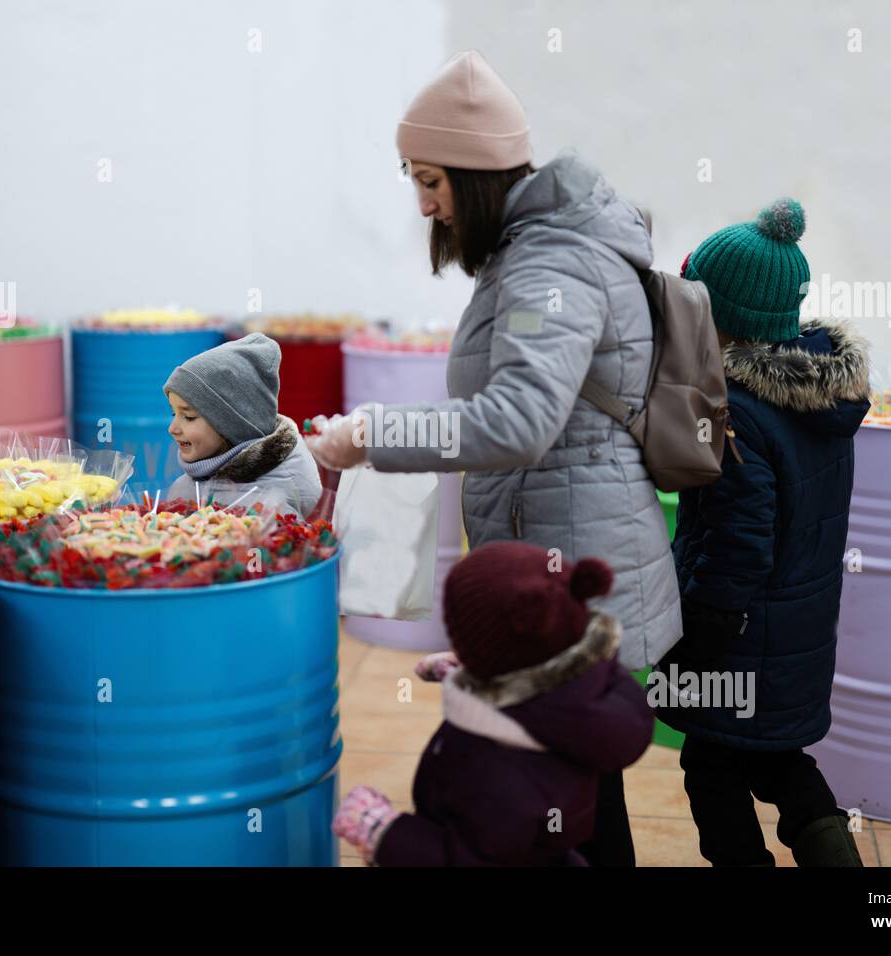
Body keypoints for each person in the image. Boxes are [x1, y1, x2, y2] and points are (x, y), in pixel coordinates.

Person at [307, 49, 680, 867]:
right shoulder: (539, 247)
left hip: (581, 561)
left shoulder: (553, 261)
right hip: (568, 552)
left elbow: (517, 422)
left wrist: (371, 435)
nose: (425, 204)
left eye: (432, 181)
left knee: (566, 803)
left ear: (478, 175)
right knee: (579, 797)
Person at [655, 198, 871, 867]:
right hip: (794, 633)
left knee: (712, 768)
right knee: (777, 760)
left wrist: (693, 643)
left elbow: (737, 547)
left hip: (738, 635)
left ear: (721, 319)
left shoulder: (737, 414)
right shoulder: (817, 396)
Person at [333, 541, 654, 866]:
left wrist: (384, 833)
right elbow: (537, 676)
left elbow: (468, 858)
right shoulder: (587, 691)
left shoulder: (500, 769)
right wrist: (480, 676)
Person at [163, 332, 320, 515]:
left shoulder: (270, 508)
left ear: (232, 425)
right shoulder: (187, 488)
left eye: (188, 417)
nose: (172, 429)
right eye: (174, 413)